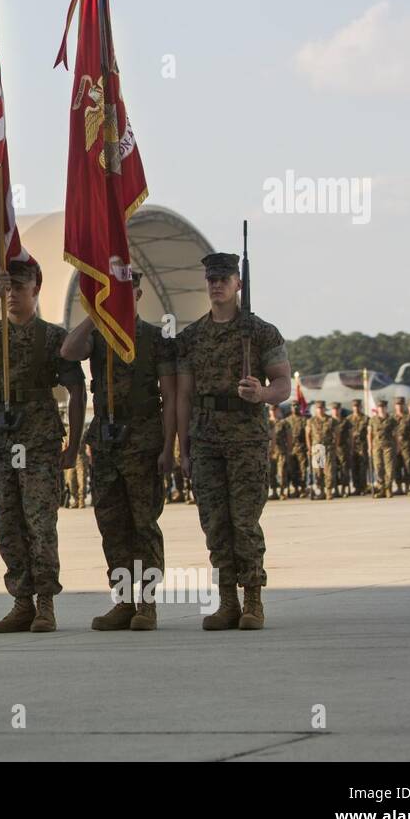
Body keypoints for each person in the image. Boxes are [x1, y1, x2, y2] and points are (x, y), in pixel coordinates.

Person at [0, 260, 85, 634]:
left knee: (40, 522)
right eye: (8, 287)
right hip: (1, 443)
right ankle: (22, 601)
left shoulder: (53, 336)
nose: (13, 294)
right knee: (5, 522)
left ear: (36, 289)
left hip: (39, 441)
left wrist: (74, 445)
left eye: (19, 287)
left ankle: (45, 601)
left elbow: (76, 390)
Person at [176, 252, 290, 631]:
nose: (217, 285)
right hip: (205, 439)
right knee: (214, 523)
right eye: (212, 279)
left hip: (246, 438)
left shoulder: (260, 332)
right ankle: (227, 601)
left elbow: (283, 385)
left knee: (244, 521)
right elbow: (184, 396)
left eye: (224, 279)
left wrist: (262, 393)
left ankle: (253, 599)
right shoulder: (192, 337)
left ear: (238, 283)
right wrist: (183, 448)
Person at [62, 271, 174, 631]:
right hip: (106, 442)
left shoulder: (155, 338)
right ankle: (124, 600)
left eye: (127, 292)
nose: (121, 298)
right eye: (114, 293)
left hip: (143, 440)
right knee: (111, 525)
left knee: (144, 524)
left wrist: (169, 446)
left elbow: (171, 397)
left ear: (138, 295)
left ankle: (147, 602)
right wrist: (95, 314)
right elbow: (68, 351)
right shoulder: (98, 335)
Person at [369, 401, 398, 498]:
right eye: (379, 407)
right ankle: (381, 489)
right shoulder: (373, 420)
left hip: (388, 447)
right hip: (376, 447)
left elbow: (395, 435)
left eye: (383, 407)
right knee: (378, 467)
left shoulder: (391, 420)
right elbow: (370, 434)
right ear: (377, 409)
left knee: (389, 468)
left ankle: (388, 488)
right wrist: (370, 446)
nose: (381, 409)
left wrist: (397, 447)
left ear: (386, 408)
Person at [348, 399, 370, 495]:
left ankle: (363, 487)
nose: (356, 408)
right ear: (352, 407)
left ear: (361, 407)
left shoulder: (366, 419)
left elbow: (370, 433)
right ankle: (356, 487)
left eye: (357, 406)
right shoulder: (348, 419)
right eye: (354, 406)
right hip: (352, 447)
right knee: (354, 467)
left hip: (362, 446)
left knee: (362, 468)